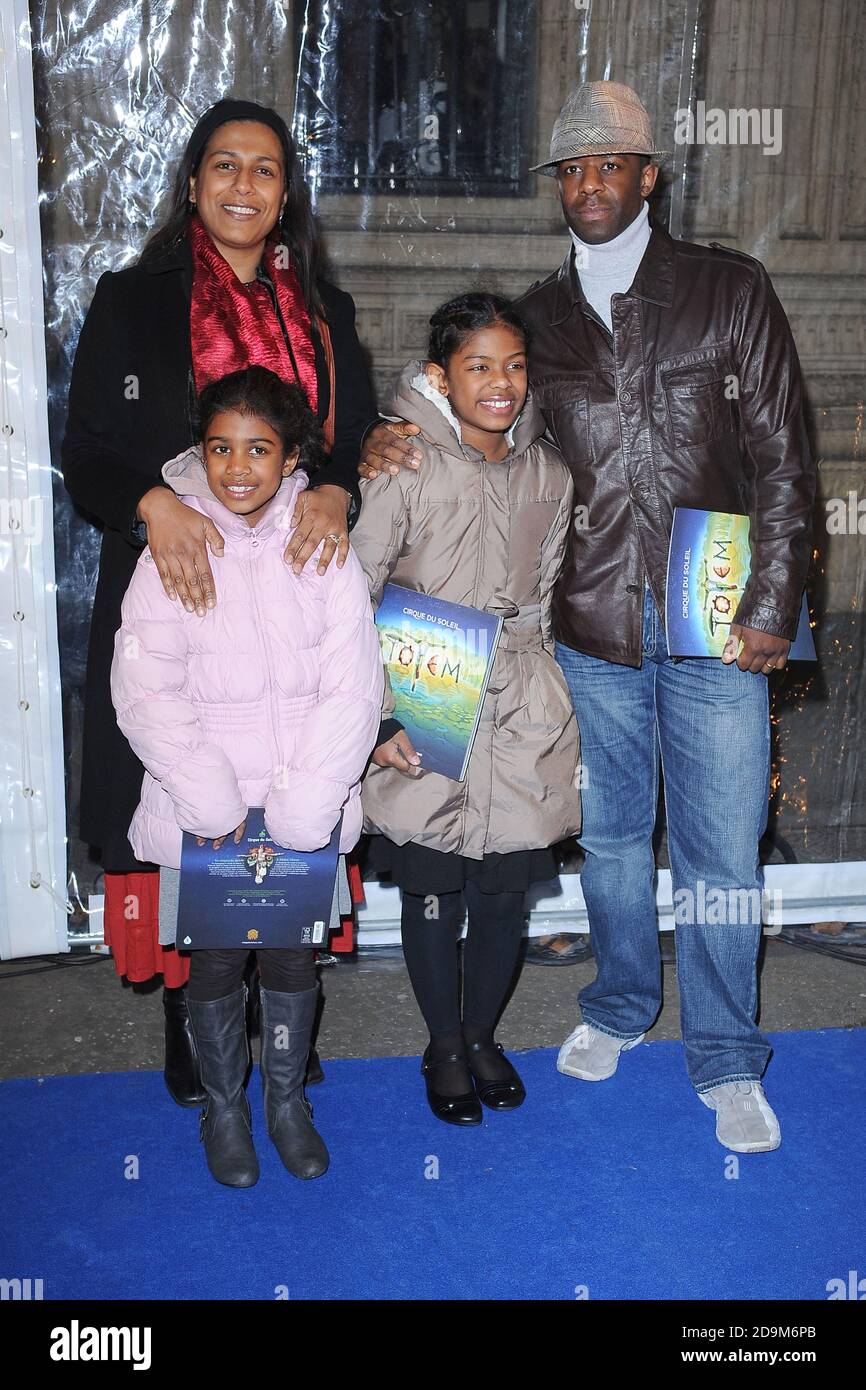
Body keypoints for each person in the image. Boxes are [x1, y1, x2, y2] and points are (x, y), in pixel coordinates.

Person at [359, 83, 816, 1153]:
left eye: (608, 164)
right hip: (586, 628)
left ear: (648, 174)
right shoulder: (536, 319)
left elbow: (783, 462)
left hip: (716, 619)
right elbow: (471, 414)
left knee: (718, 853)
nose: (588, 185)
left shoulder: (727, 289)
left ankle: (724, 1056)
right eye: (569, 169)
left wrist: (769, 604)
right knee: (607, 843)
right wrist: (388, 431)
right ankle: (617, 1003)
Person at [62, 99, 376, 1107]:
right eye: (224, 167)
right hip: (181, 588)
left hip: (287, 597)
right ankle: (194, 1022)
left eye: (266, 170)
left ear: (286, 195)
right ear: (194, 183)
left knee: (285, 780)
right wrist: (155, 503)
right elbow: (89, 457)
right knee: (188, 786)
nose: (245, 186)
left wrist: (334, 487)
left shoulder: (323, 313)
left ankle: (279, 1011)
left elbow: (350, 440)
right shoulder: (133, 298)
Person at [110, 366, 383, 1187]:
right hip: (208, 806)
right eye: (220, 447)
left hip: (305, 796)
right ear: (200, 450)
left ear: (291, 455)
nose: (237, 467)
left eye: (259, 449)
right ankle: (224, 1108)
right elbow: (142, 685)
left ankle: (286, 1101)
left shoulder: (322, 542)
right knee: (218, 963)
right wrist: (208, 797)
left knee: (296, 959)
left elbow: (355, 681)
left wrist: (310, 799)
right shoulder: (177, 543)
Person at [350, 293, 581, 1126]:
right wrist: (378, 719)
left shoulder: (551, 473)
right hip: (424, 688)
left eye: (515, 366)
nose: (500, 383)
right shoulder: (402, 465)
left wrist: (546, 694)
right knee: (434, 886)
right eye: (479, 365)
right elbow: (352, 593)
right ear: (441, 375)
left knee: (501, 890)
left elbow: (547, 594)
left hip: (517, 702)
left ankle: (483, 1035)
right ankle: (441, 1042)